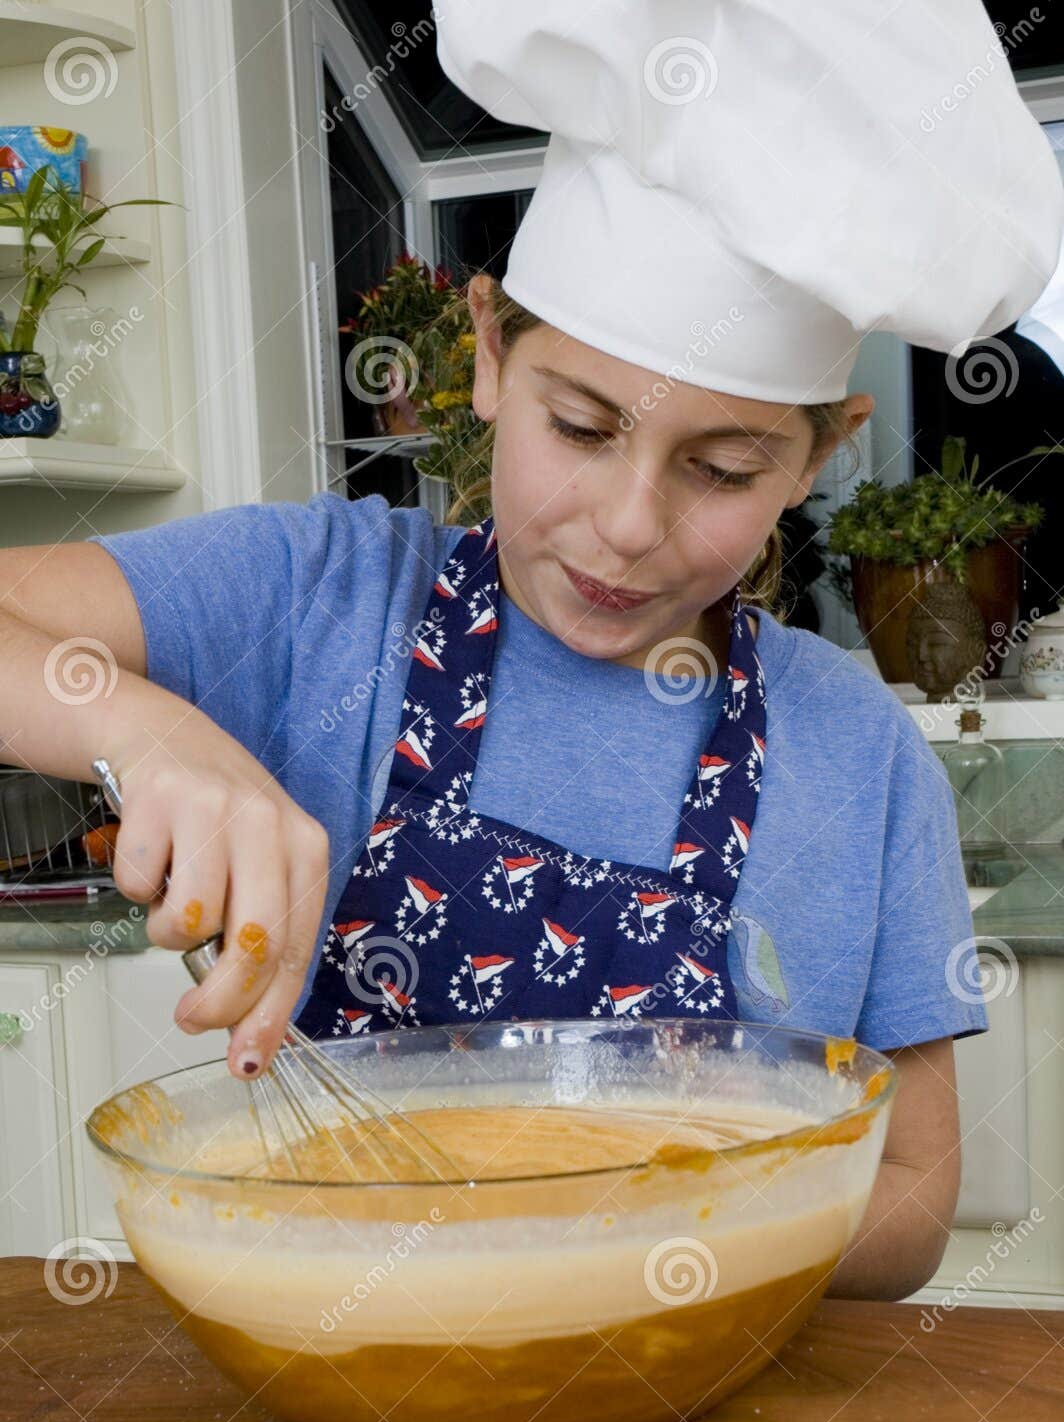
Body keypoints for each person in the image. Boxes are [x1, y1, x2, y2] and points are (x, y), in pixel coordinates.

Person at [1, 0, 1061, 1298]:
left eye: (723, 468)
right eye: (580, 426)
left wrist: (634, 1240)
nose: (627, 527)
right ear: (491, 353)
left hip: (700, 1404)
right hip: (347, 1365)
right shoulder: (314, 597)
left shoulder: (860, 752)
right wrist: (141, 726)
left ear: (821, 453)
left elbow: (909, 1195)